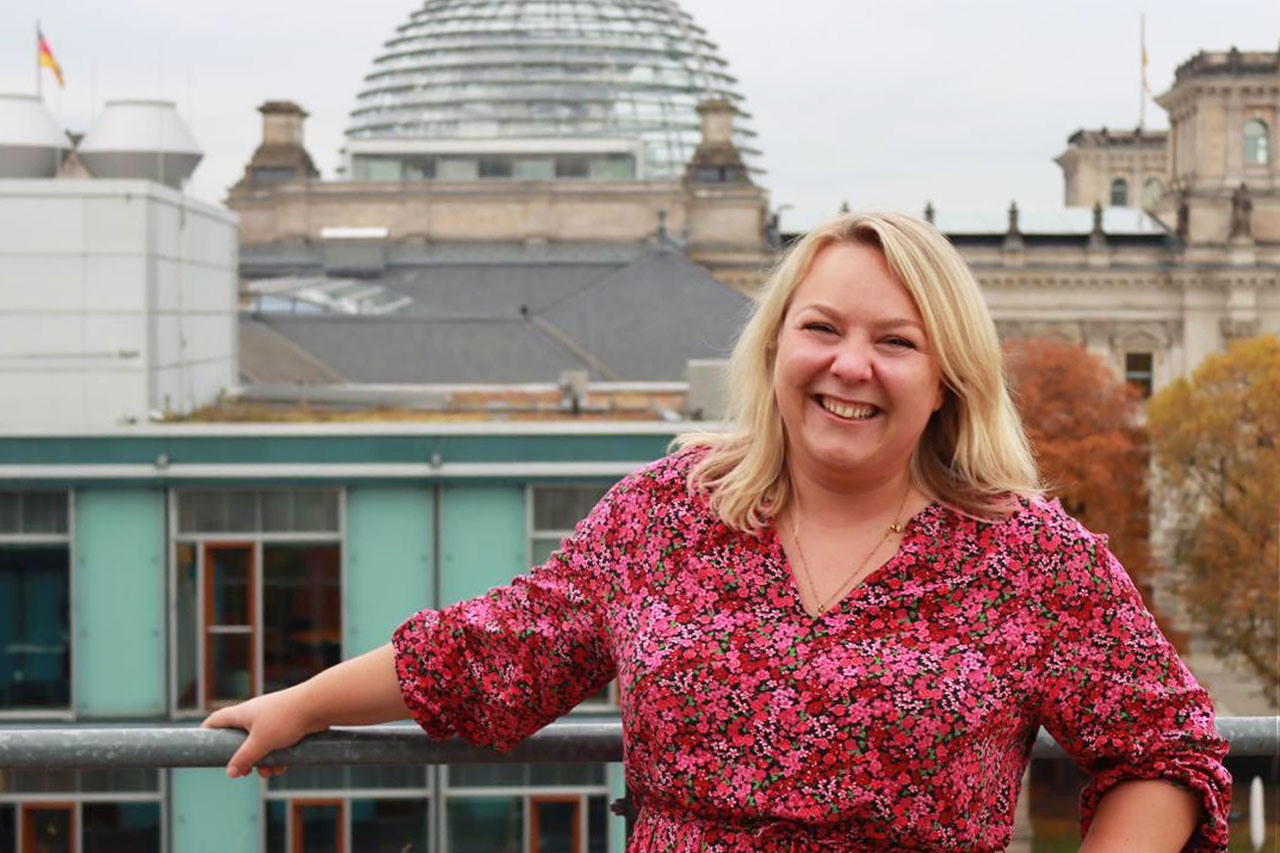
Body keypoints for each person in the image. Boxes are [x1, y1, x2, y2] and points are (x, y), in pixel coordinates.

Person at [204, 211, 1231, 851]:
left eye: (894, 342)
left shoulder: (1031, 558)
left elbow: (1166, 749)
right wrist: (303, 702)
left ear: (947, 376)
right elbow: (498, 648)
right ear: (775, 345)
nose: (849, 366)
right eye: (821, 328)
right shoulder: (666, 513)